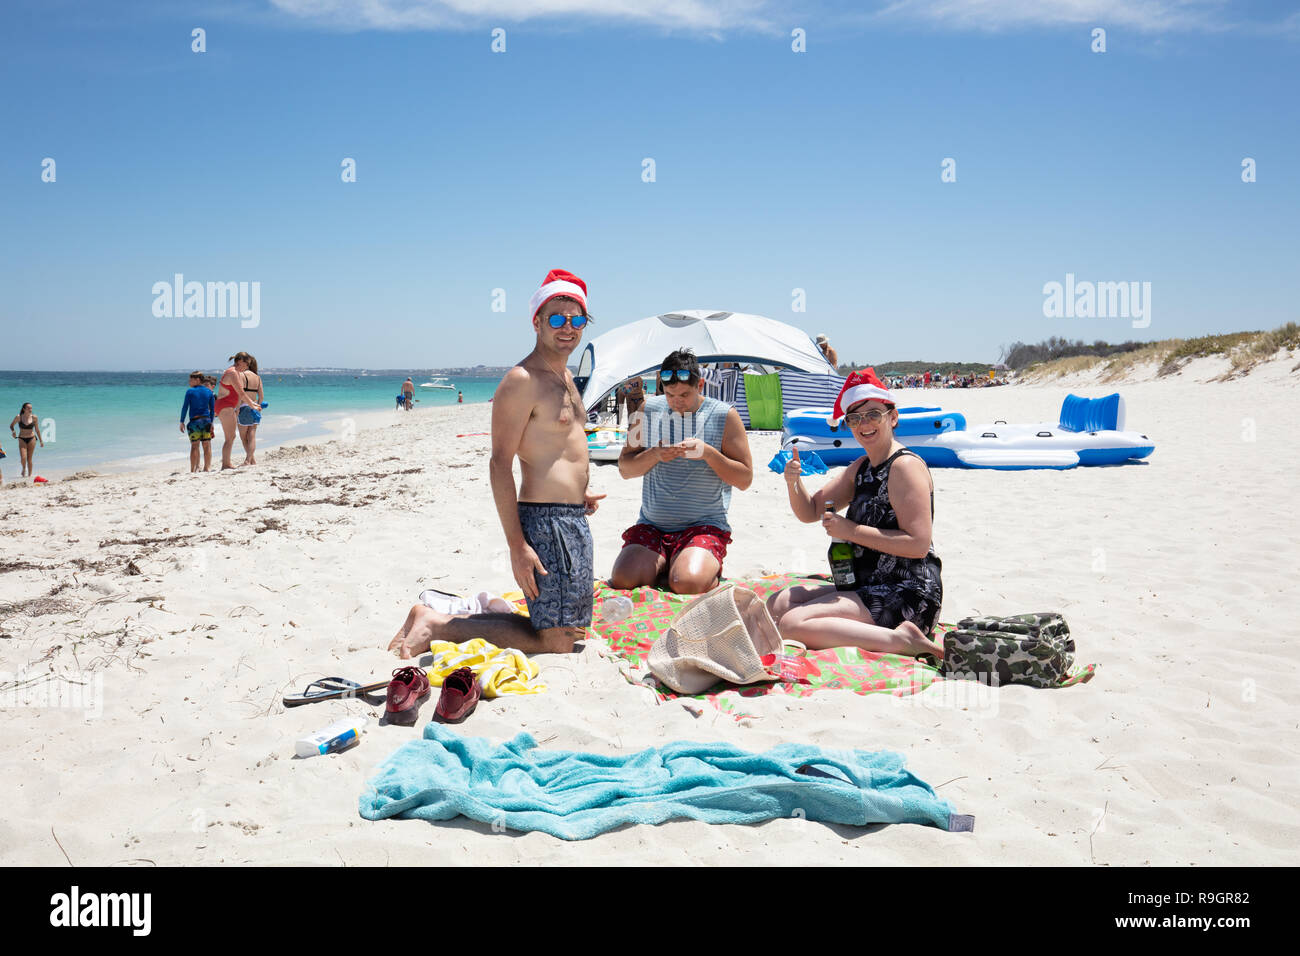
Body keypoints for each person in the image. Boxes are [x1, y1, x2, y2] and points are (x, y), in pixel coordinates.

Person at [390, 268, 605, 658]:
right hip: (546, 521)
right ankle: (436, 624)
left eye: (576, 321)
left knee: (572, 630)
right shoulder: (522, 380)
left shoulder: (566, 377)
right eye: (556, 319)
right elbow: (499, 464)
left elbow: (560, 448)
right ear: (536, 322)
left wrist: (580, 490)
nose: (567, 328)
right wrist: (517, 546)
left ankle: (439, 618)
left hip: (574, 517)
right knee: (557, 641)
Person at [767, 368, 943, 659]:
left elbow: (918, 545)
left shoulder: (904, 467)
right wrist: (793, 482)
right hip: (868, 585)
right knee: (779, 603)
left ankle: (902, 640)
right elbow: (811, 511)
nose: (864, 424)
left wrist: (850, 531)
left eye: (873, 414)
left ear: (893, 417)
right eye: (855, 418)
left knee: (791, 624)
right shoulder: (861, 467)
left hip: (907, 593)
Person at [610, 349, 753, 595]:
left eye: (685, 394)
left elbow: (745, 479)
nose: (677, 401)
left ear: (700, 385)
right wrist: (654, 454)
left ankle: (683, 564)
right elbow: (625, 468)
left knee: (687, 583)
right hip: (654, 525)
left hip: (703, 526)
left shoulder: (724, 415)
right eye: (670, 394)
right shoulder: (646, 410)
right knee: (624, 579)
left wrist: (709, 454)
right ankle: (674, 562)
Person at [216, 353, 253, 469]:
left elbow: (237, 394)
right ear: (240, 361)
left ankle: (226, 463)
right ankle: (225, 464)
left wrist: (237, 408)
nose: (247, 367)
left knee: (231, 437)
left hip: (227, 406)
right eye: (247, 364)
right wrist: (253, 405)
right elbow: (241, 393)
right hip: (225, 406)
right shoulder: (232, 372)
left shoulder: (236, 372)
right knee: (229, 437)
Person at [179, 372, 215, 472]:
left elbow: (185, 407)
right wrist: (212, 423)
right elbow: (212, 410)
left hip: (195, 422)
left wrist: (182, 421)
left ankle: (193, 469)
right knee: (206, 445)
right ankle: (207, 468)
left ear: (198, 380)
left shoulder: (190, 391)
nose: (189, 382)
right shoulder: (209, 392)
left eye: (191, 380)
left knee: (195, 446)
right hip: (206, 421)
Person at [237, 354, 265, 466]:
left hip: (244, 407)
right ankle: (252, 460)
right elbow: (261, 396)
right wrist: (258, 407)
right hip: (255, 408)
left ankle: (248, 460)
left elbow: (240, 394)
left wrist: (237, 409)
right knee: (252, 436)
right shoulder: (257, 377)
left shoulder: (242, 375)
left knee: (244, 437)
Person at [9, 403, 44, 478]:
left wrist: (41, 441)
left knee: (29, 459)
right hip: (22, 438)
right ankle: (24, 468)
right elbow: (11, 425)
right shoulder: (19, 417)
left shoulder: (34, 417)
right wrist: (13, 432)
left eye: (31, 408)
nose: (30, 409)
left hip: (32, 438)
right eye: (28, 408)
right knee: (23, 458)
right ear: (24, 409)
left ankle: (29, 477)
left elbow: (37, 430)